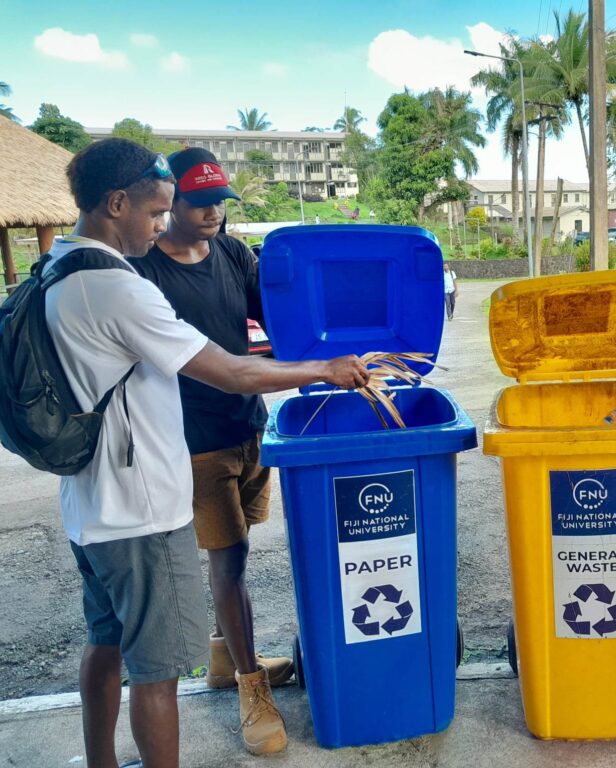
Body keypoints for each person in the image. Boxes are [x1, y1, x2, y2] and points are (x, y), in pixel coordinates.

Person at [48, 138, 369, 767]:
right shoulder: (125, 283)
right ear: (118, 204)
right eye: (160, 210)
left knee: (110, 637)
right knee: (161, 664)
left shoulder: (62, 269)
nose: (167, 221)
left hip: (111, 492)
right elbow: (231, 370)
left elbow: (280, 320)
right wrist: (322, 371)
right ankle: (242, 690)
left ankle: (110, 756)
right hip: (153, 488)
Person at [127, 147, 290, 757]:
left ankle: (226, 660)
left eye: (220, 201)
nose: (213, 213)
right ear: (172, 202)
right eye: (200, 203)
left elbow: (276, 319)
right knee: (230, 562)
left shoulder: (232, 251)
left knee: (242, 552)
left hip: (248, 425)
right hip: (193, 442)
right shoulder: (144, 270)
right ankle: (252, 690)